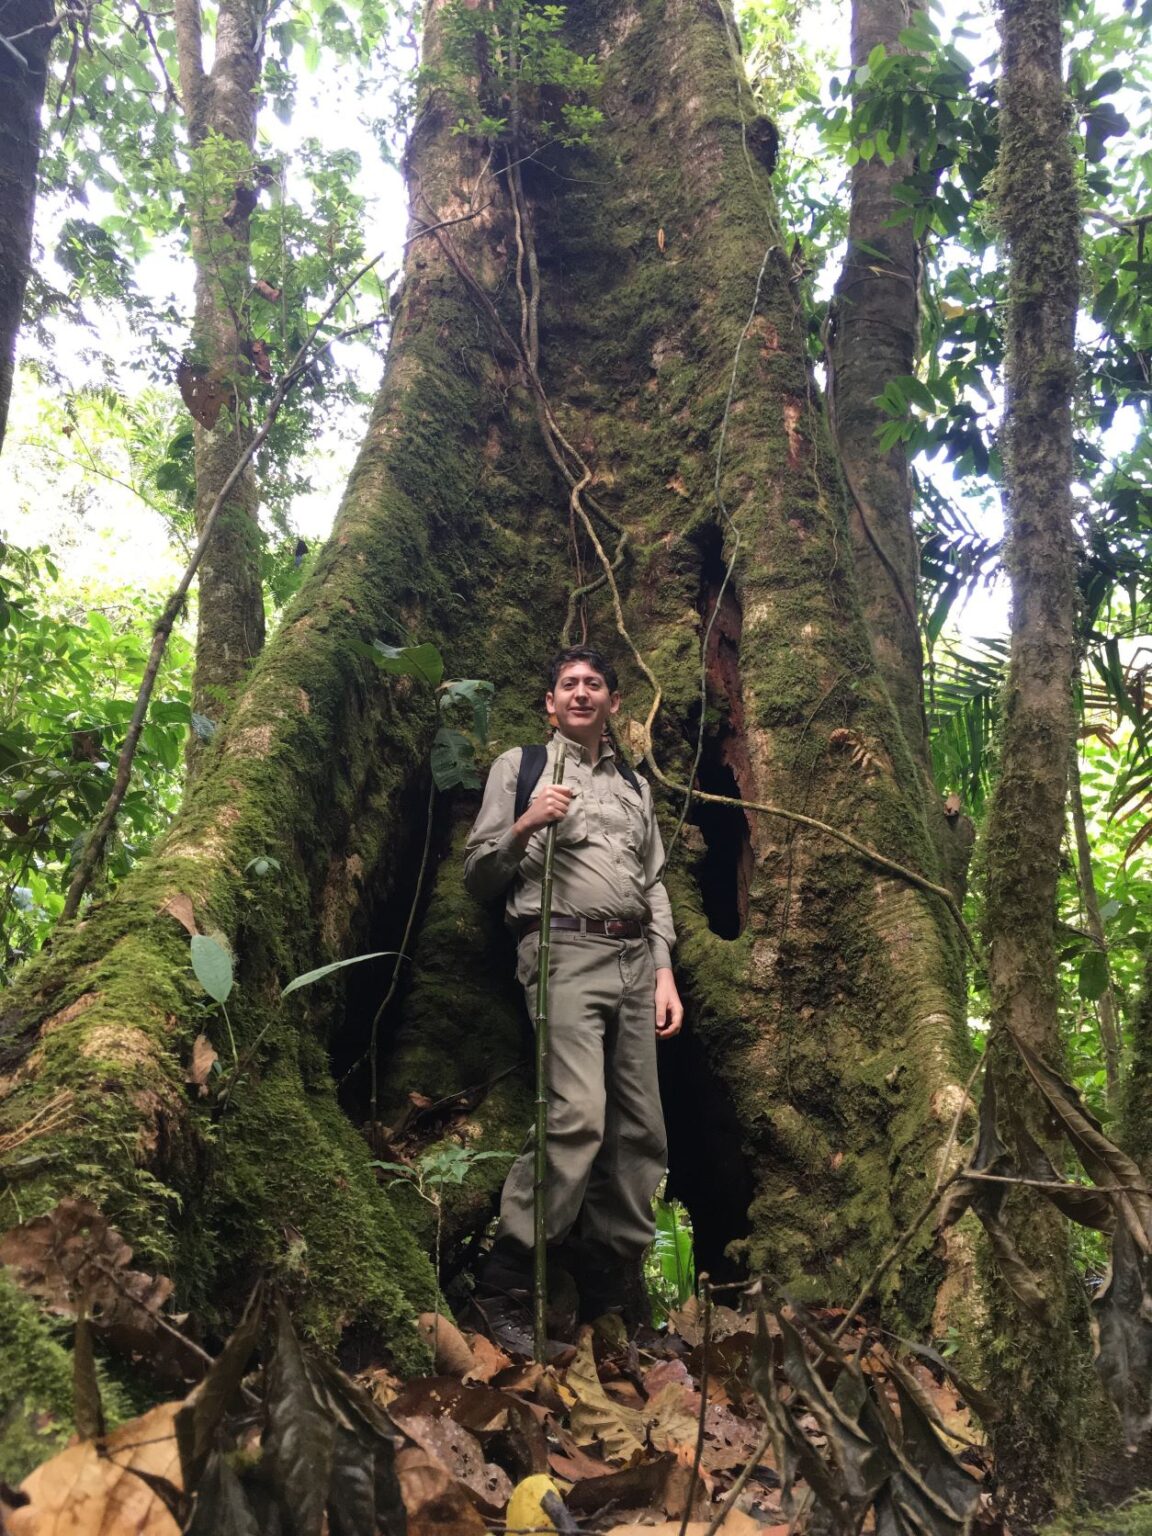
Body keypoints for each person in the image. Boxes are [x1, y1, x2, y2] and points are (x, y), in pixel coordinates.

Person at [463, 647, 684, 1322]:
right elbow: (477, 873)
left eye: (594, 685)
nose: (582, 693)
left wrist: (665, 968)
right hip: (561, 951)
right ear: (551, 704)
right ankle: (508, 1280)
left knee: (641, 1132)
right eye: (569, 685)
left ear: (615, 704)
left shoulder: (634, 788)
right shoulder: (521, 767)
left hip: (635, 965)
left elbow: (652, 883)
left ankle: (609, 1294)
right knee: (576, 1115)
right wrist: (527, 821)